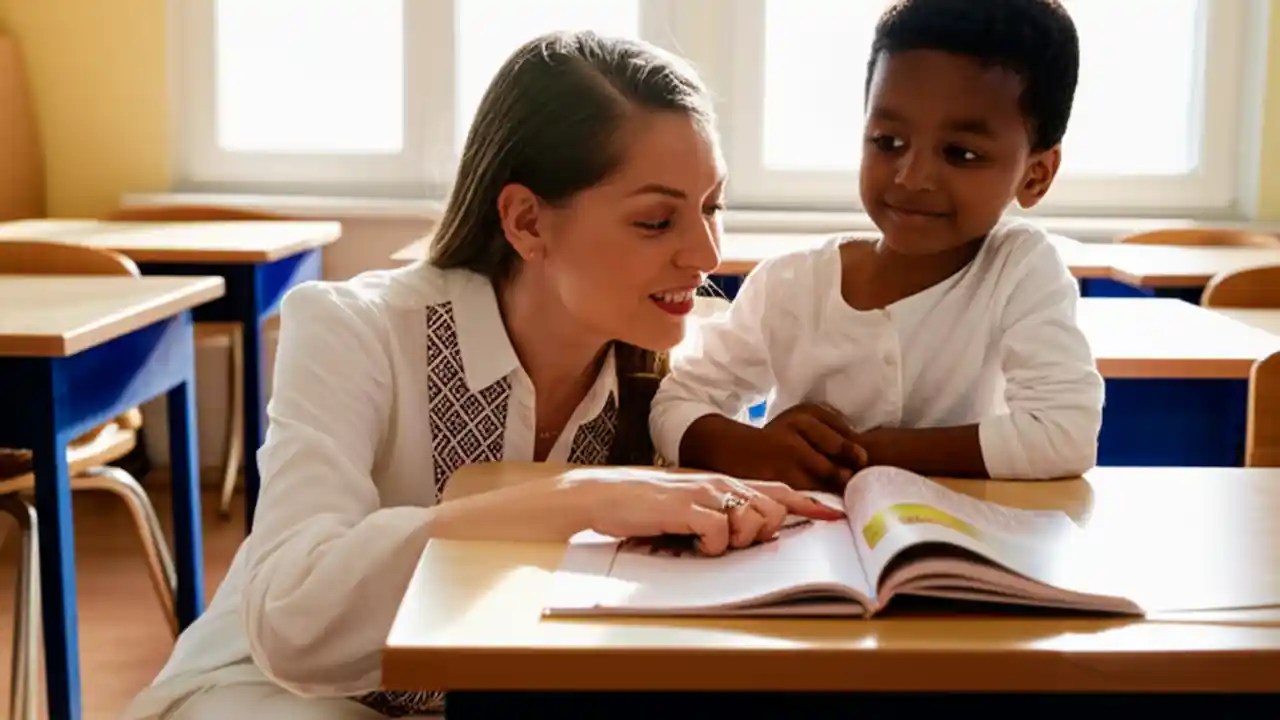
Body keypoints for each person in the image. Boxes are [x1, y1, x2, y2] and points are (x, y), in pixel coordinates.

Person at [124, 31, 842, 720]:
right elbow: (294, 626)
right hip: (272, 697)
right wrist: (575, 501)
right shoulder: (351, 328)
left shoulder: (680, 376)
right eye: (656, 221)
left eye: (713, 207)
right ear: (527, 221)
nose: (707, 253)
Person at [650, 0, 1104, 488]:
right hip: (798, 550)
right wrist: (753, 448)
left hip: (953, 548)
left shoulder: (1020, 270)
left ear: (1036, 175)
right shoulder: (791, 284)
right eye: (888, 142)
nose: (913, 178)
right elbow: (675, 404)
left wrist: (868, 451)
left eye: (962, 154)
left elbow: (1065, 434)